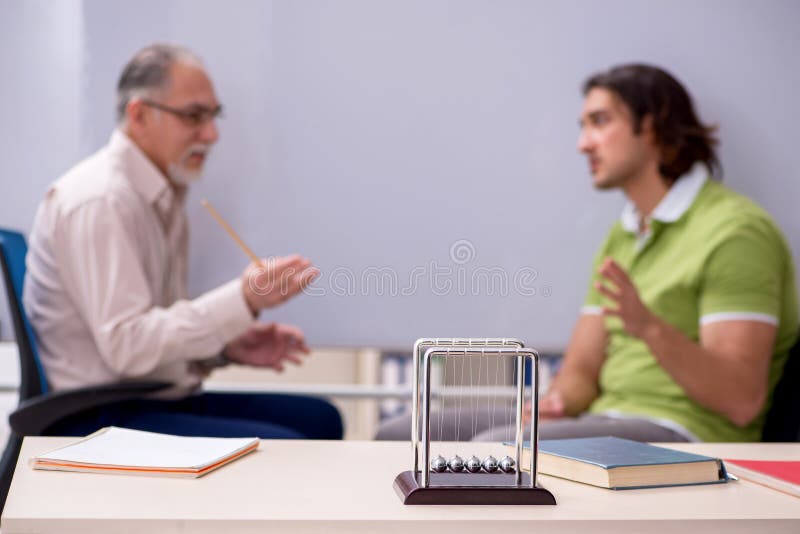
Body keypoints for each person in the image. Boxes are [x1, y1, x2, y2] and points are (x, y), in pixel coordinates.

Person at [376, 64, 798, 443]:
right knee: (401, 434)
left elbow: (741, 398)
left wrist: (649, 327)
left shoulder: (736, 233)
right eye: (582, 126)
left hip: (687, 434)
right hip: (608, 420)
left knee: (500, 450)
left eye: (599, 122)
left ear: (651, 127)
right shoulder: (626, 233)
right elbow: (581, 369)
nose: (582, 144)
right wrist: (555, 403)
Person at [23, 43, 343, 440]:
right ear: (139, 114)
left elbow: (150, 332)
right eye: (194, 116)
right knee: (290, 447)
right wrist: (243, 300)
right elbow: (127, 346)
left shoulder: (162, 192)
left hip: (148, 396)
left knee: (323, 419)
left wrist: (225, 348)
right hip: (98, 415)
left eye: (213, 116)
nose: (211, 134)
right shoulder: (101, 200)